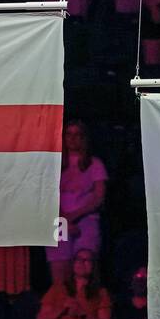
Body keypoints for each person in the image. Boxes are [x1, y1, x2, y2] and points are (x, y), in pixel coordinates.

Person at [47, 121, 108, 285]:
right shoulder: (55, 163)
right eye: (69, 134)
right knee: (59, 268)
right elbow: (48, 194)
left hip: (86, 220)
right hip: (59, 221)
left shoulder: (95, 164)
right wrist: (64, 218)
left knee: (86, 269)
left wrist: (74, 216)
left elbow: (98, 197)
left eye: (77, 135)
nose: (73, 139)